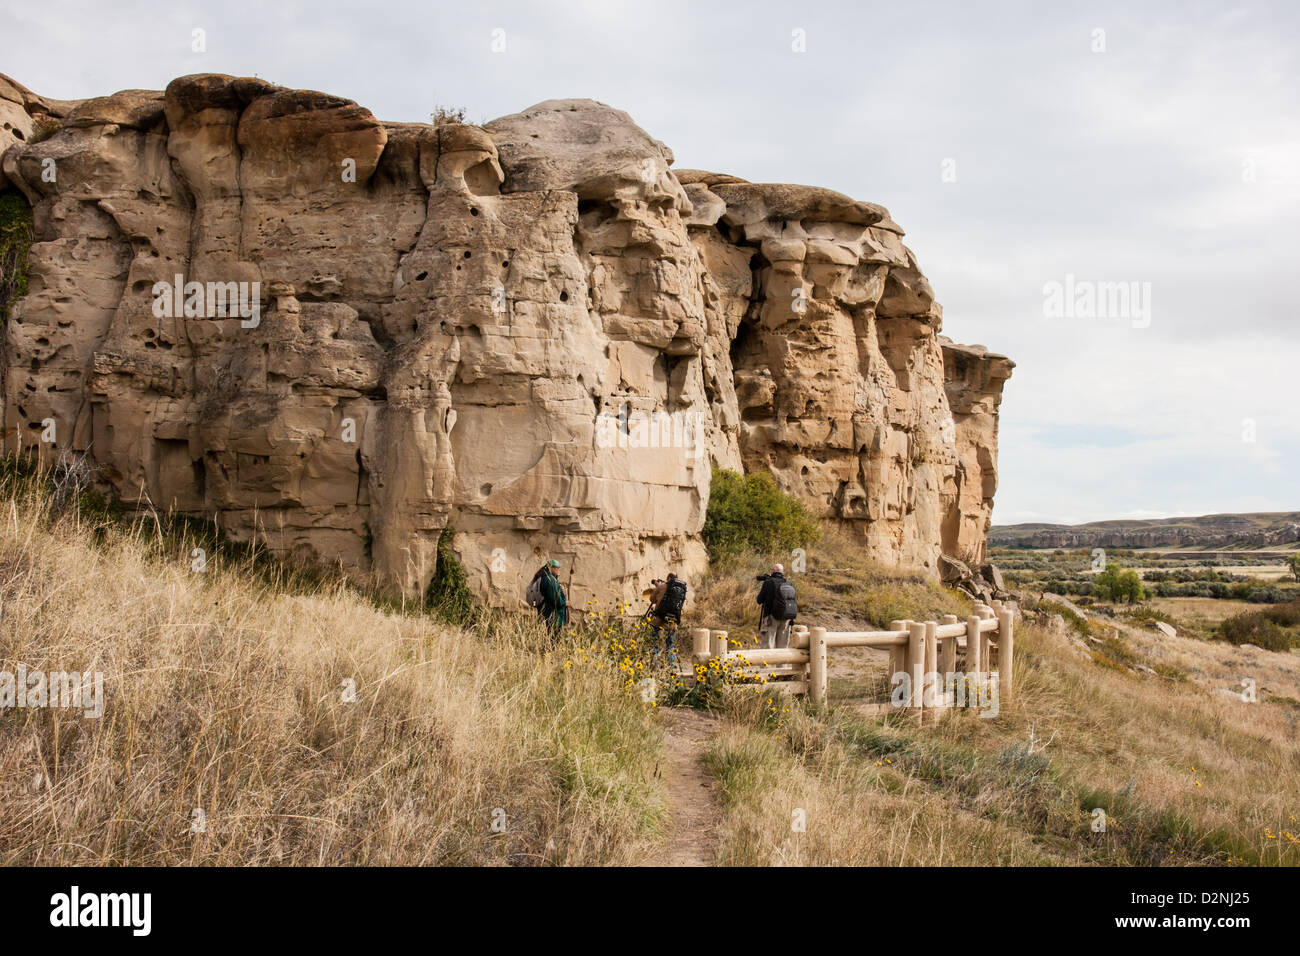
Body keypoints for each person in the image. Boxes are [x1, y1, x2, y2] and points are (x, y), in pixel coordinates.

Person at [645, 573, 686, 663]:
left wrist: (658, 588)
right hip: (673, 620)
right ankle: (670, 666)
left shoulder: (662, 586)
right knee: (670, 644)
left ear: (668, 578)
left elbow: (652, 599)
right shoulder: (681, 589)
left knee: (654, 641)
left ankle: (654, 664)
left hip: (659, 618)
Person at [756, 563, 798, 649]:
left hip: (771, 618)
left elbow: (759, 600)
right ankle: (782, 663)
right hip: (786, 618)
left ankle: (767, 662)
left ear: (773, 571)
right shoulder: (788, 583)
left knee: (768, 645)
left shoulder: (768, 583)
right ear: (782, 572)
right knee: (783, 647)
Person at [533, 558, 568, 638]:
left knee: (548, 638)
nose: (559, 570)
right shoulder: (549, 581)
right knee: (553, 640)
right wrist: (564, 602)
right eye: (557, 568)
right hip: (553, 617)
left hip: (547, 615)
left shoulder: (546, 578)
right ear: (551, 568)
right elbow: (556, 601)